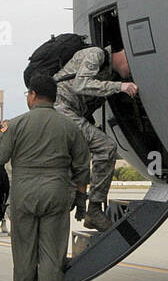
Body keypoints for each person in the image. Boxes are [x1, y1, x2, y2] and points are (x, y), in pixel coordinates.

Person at [0, 74, 89, 281]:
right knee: (52, 253)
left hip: (24, 196)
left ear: (32, 95)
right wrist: (80, 194)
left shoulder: (18, 124)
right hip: (56, 194)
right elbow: (82, 166)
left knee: (24, 252)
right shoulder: (68, 126)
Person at [54, 43, 137, 231]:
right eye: (131, 67)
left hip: (69, 112)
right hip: (61, 109)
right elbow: (81, 84)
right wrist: (120, 86)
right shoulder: (96, 54)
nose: (131, 73)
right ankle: (94, 209)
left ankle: (85, 204)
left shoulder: (108, 71)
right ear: (123, 54)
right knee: (106, 147)